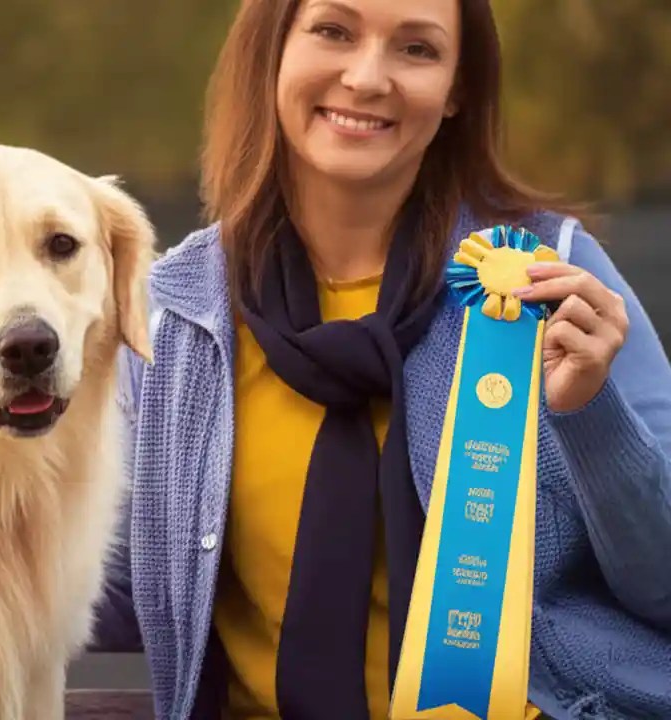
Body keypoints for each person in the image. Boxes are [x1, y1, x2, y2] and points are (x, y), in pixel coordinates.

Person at [90, 0, 671, 718]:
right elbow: (110, 585)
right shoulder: (175, 314)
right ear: (273, 50)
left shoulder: (552, 279)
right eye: (334, 31)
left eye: (417, 50)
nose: (367, 77)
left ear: (458, 88)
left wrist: (592, 418)